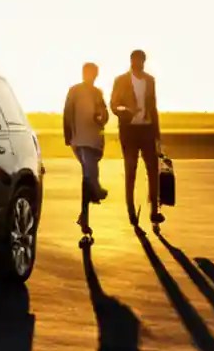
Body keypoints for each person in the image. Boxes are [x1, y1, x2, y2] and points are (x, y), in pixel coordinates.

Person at [110, 49, 165, 227]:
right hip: (129, 131)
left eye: (141, 60)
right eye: (135, 60)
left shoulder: (150, 80)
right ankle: (131, 209)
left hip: (147, 129)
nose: (138, 63)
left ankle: (154, 211)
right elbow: (113, 105)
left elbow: (153, 106)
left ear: (144, 61)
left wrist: (157, 135)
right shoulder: (121, 80)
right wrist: (126, 111)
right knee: (131, 170)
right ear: (131, 61)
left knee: (153, 170)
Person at [64, 62, 108, 234]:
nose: (90, 76)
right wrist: (69, 137)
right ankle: (96, 192)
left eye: (93, 73)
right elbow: (67, 113)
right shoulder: (74, 91)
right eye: (87, 73)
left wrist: (101, 116)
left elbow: (104, 115)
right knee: (89, 175)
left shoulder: (98, 93)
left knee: (87, 176)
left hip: (94, 139)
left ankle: (85, 214)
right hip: (79, 139)